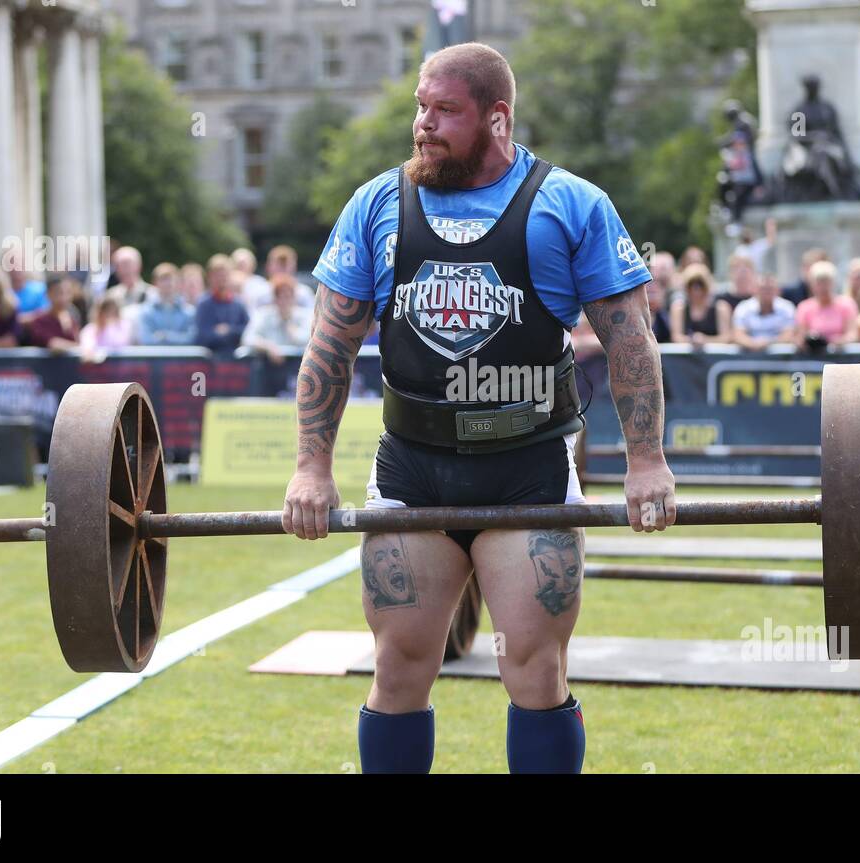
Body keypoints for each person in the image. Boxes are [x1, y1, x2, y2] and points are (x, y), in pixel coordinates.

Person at [286, 42, 674, 775]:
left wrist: (647, 461)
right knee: (398, 668)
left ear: (497, 118)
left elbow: (632, 344)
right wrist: (311, 468)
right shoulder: (376, 204)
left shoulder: (570, 204)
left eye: (445, 111)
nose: (424, 125)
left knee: (533, 670)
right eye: (420, 108)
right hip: (413, 473)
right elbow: (328, 347)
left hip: (526, 472)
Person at [241, 273, 308, 362]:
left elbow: (309, 341)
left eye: (288, 296)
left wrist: (291, 329)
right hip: (267, 367)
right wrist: (268, 347)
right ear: (274, 298)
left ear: (294, 298)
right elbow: (248, 338)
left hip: (296, 368)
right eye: (280, 296)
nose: (284, 301)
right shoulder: (264, 315)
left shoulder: (304, 316)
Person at [794, 260, 857, 349]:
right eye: (819, 283)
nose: (823, 287)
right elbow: (799, 337)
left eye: (826, 282)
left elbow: (852, 335)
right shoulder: (804, 307)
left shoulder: (847, 304)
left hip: (840, 358)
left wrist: (835, 341)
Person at [195, 254, 250, 357]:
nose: (221, 279)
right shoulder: (203, 304)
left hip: (236, 364)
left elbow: (248, 332)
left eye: (224, 275)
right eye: (217, 275)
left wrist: (228, 330)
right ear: (210, 277)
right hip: (210, 364)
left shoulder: (239, 304)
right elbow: (202, 337)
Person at [137, 263, 196, 346]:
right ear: (155, 283)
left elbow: (192, 339)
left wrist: (164, 336)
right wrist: (177, 338)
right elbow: (146, 339)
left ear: (178, 283)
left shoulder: (189, 311)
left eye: (171, 279)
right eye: (163, 279)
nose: (168, 283)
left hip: (181, 359)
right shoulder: (146, 311)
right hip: (155, 358)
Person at [731, 274, 795, 350]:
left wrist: (768, 344)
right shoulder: (743, 308)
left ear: (778, 291)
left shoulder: (787, 307)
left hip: (780, 359)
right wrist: (754, 345)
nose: (767, 292)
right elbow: (738, 335)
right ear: (754, 289)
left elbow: (789, 334)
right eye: (763, 288)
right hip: (749, 357)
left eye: (770, 289)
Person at [22, 276, 82, 351]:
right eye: (59, 293)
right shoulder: (39, 321)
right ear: (48, 294)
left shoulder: (71, 319)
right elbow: (54, 344)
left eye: (68, 293)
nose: (64, 298)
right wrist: (80, 348)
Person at [670, 262, 721, 346]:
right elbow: (676, 337)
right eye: (691, 285)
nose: (696, 290)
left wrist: (705, 340)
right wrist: (692, 340)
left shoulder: (720, 308)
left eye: (700, 285)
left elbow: (727, 337)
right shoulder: (678, 308)